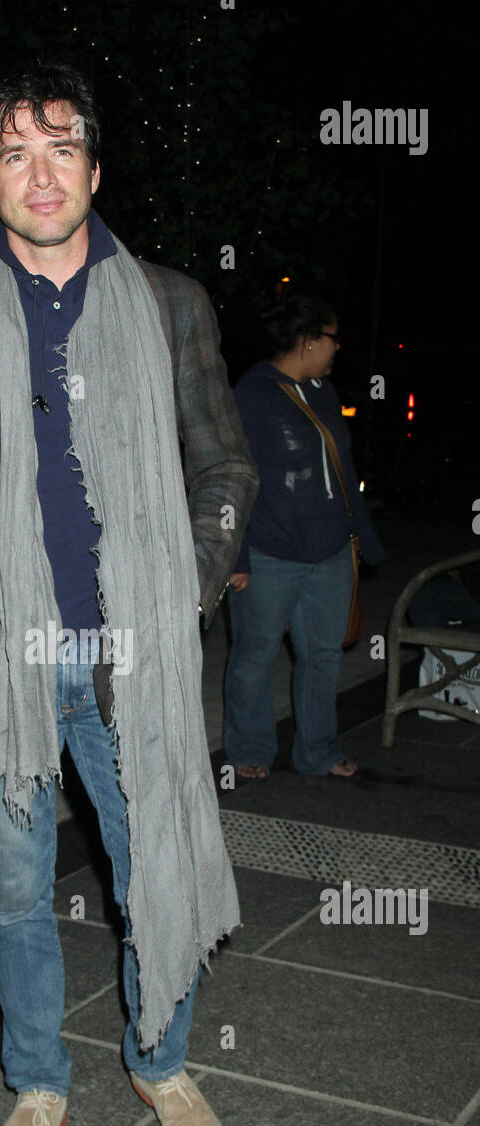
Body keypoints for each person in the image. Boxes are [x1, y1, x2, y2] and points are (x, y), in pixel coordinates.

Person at [0, 62, 258, 1126]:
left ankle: (163, 1058)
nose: (39, 174)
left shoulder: (175, 303)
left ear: (92, 169)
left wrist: (179, 584)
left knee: (159, 861)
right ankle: (40, 1078)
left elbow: (224, 464)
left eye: (60, 149)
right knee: (12, 885)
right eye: (13, 153)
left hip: (131, 651)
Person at [223, 291, 386, 780]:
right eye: (333, 338)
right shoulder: (252, 394)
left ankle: (316, 751)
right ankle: (250, 750)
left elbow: (344, 469)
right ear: (308, 339)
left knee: (323, 656)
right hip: (271, 553)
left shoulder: (325, 393)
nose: (339, 349)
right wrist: (236, 556)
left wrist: (367, 541)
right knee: (256, 656)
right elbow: (232, 477)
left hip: (331, 552)